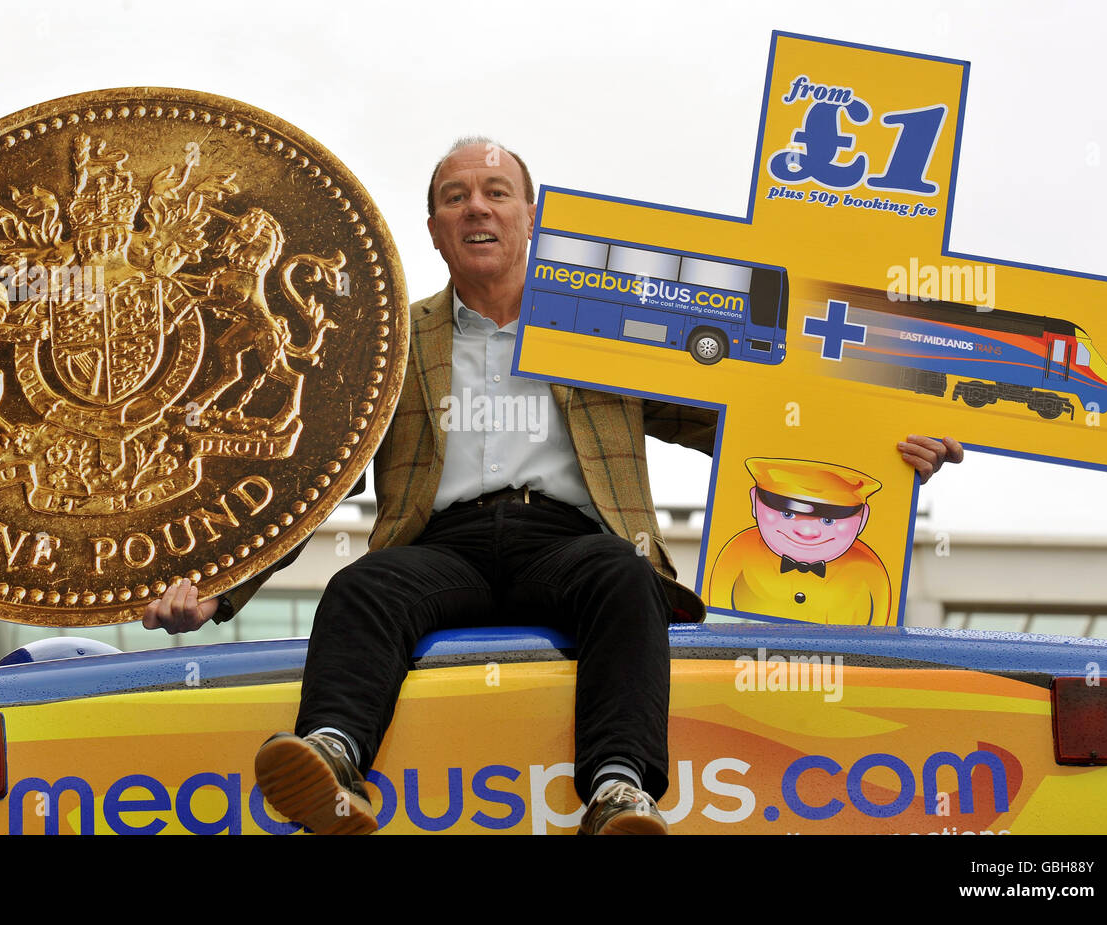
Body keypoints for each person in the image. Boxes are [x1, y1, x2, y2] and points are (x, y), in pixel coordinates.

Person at [144, 137, 965, 834]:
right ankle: (329, 758)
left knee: (625, 576)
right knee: (363, 583)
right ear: (433, 230)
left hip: (570, 545)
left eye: (497, 192)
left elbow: (736, 422)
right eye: (456, 197)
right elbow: (311, 482)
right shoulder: (388, 342)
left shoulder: (601, 319)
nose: (477, 208)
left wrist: (880, 449)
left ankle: (616, 790)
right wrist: (216, 591)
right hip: (443, 551)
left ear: (530, 215)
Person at [709, 456, 893, 624]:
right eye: (787, 513)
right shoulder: (737, 552)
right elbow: (715, 622)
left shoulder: (870, 572)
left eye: (828, 520)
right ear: (754, 501)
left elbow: (878, 639)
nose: (807, 531)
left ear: (863, 518)